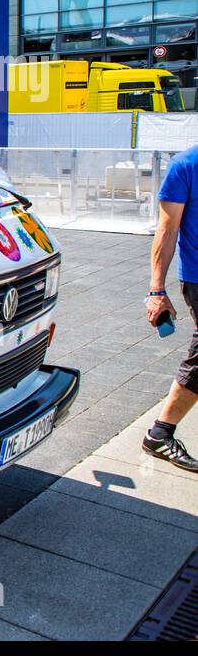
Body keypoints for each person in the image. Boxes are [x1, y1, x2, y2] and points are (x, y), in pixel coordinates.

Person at [144, 146, 198, 472]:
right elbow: (167, 231)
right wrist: (156, 291)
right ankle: (159, 433)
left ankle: (159, 432)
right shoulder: (186, 165)